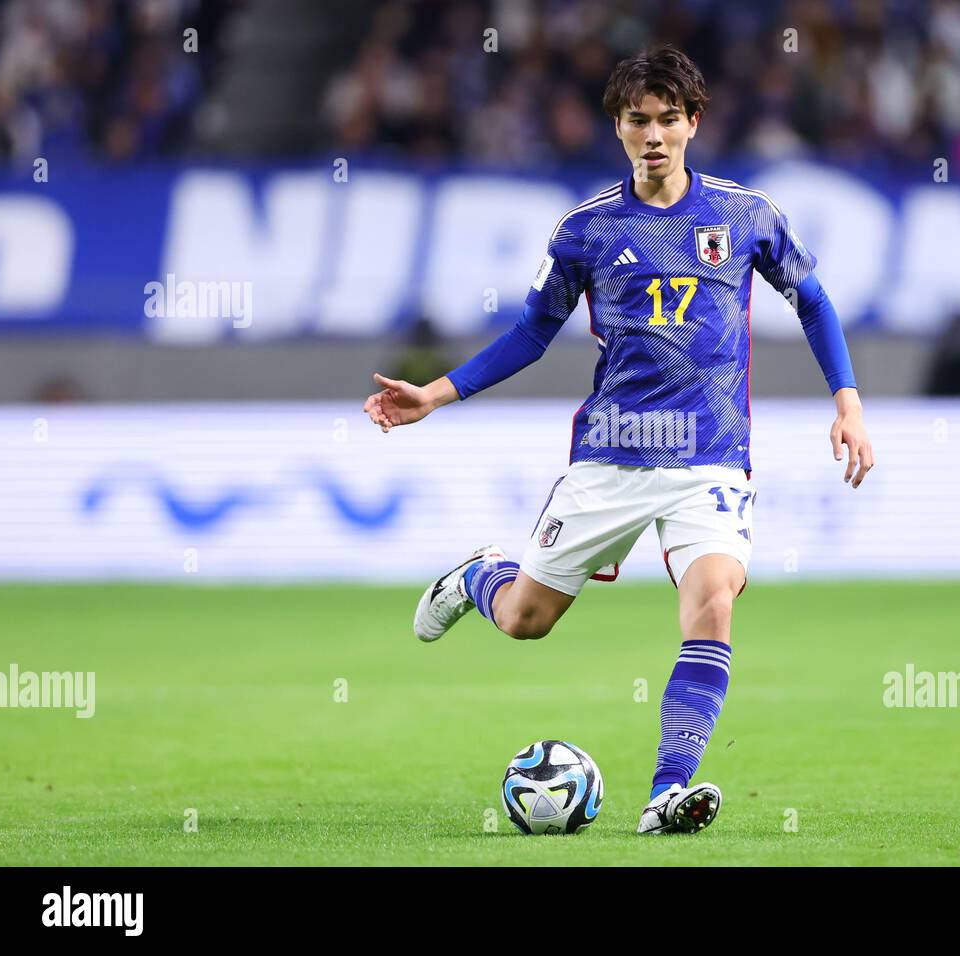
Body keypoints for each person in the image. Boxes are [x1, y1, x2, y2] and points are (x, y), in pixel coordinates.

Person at [364, 45, 874, 834]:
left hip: (711, 458)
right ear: (618, 126)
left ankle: (668, 790)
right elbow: (531, 334)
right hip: (611, 456)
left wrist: (847, 401)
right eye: (639, 120)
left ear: (694, 123)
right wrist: (433, 393)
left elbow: (813, 301)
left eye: (670, 119)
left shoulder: (746, 216)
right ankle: (478, 578)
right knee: (526, 620)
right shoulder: (586, 230)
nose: (655, 135)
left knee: (713, 603)